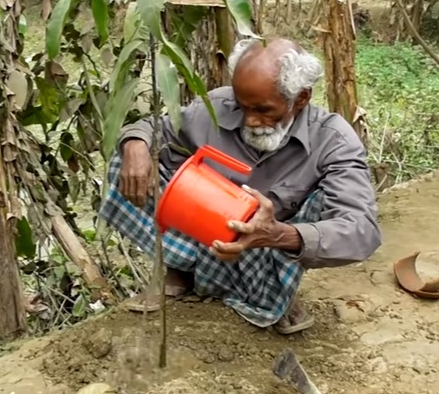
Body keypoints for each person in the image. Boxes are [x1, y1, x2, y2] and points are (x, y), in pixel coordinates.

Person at [97, 36, 382, 334]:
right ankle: (181, 270)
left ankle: (274, 293)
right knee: (130, 163)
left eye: (263, 109)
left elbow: (361, 230)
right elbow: (156, 128)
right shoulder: (216, 105)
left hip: (266, 251)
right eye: (242, 106)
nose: (250, 120)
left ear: (300, 99)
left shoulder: (333, 140)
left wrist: (278, 234)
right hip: (200, 232)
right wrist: (135, 142)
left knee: (322, 201)